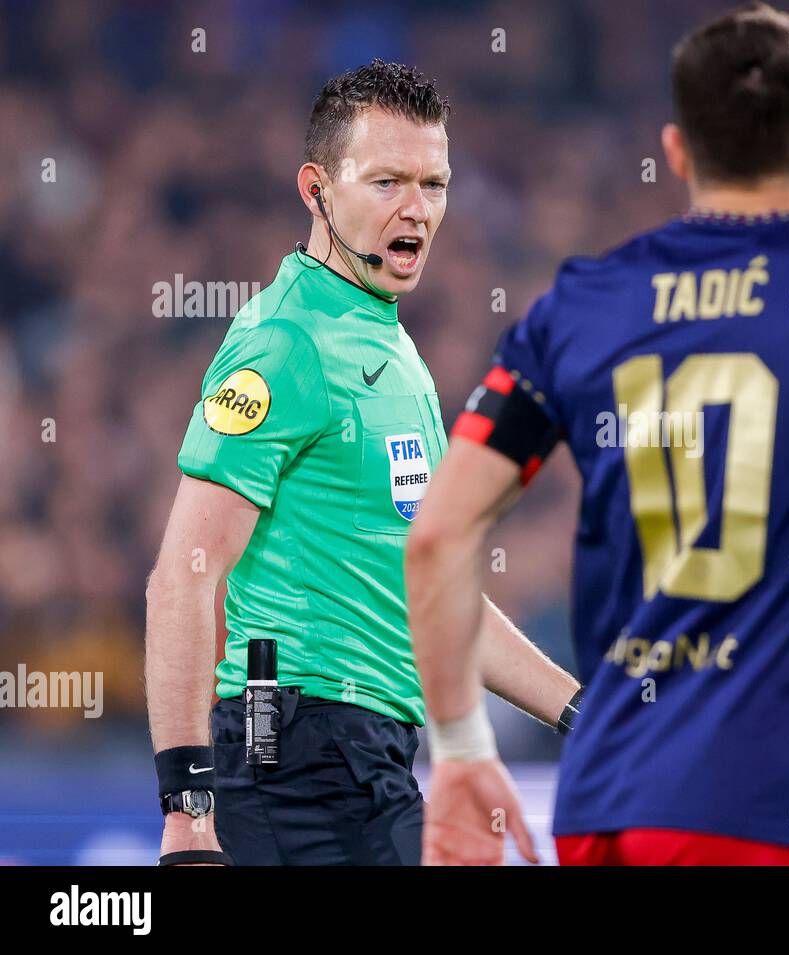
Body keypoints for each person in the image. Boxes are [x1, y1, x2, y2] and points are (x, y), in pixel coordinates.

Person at [405, 3, 789, 867]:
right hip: (767, 816)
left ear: (675, 149)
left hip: (602, 811)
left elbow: (437, 534)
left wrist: (463, 750)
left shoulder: (581, 302)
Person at [144, 60, 578, 866]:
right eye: (387, 182)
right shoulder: (287, 343)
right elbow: (183, 574)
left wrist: (582, 712)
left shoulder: (388, 346)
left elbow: (435, 596)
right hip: (294, 761)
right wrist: (187, 809)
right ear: (317, 190)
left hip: (367, 764)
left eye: (434, 183)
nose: (417, 208)